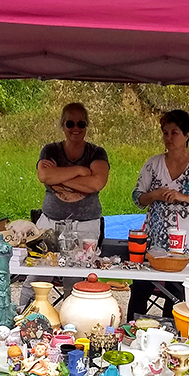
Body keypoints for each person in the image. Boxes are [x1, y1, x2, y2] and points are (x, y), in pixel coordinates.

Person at [127, 109, 189, 320]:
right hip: (154, 238)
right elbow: (137, 197)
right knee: (141, 287)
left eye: (174, 133)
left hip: (185, 240)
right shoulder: (153, 164)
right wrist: (154, 195)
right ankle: (132, 329)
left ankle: (172, 335)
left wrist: (183, 197)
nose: (168, 138)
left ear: (187, 135)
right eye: (165, 133)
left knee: (177, 293)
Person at [19, 103, 110, 307]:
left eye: (81, 123)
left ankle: (73, 326)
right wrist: (80, 170)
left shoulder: (97, 152)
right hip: (50, 223)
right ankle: (22, 317)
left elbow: (97, 183)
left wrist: (58, 178)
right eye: (70, 123)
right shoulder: (50, 149)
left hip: (86, 226)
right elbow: (44, 175)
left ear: (87, 126)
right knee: (37, 277)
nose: (75, 128)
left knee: (76, 281)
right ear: (62, 125)